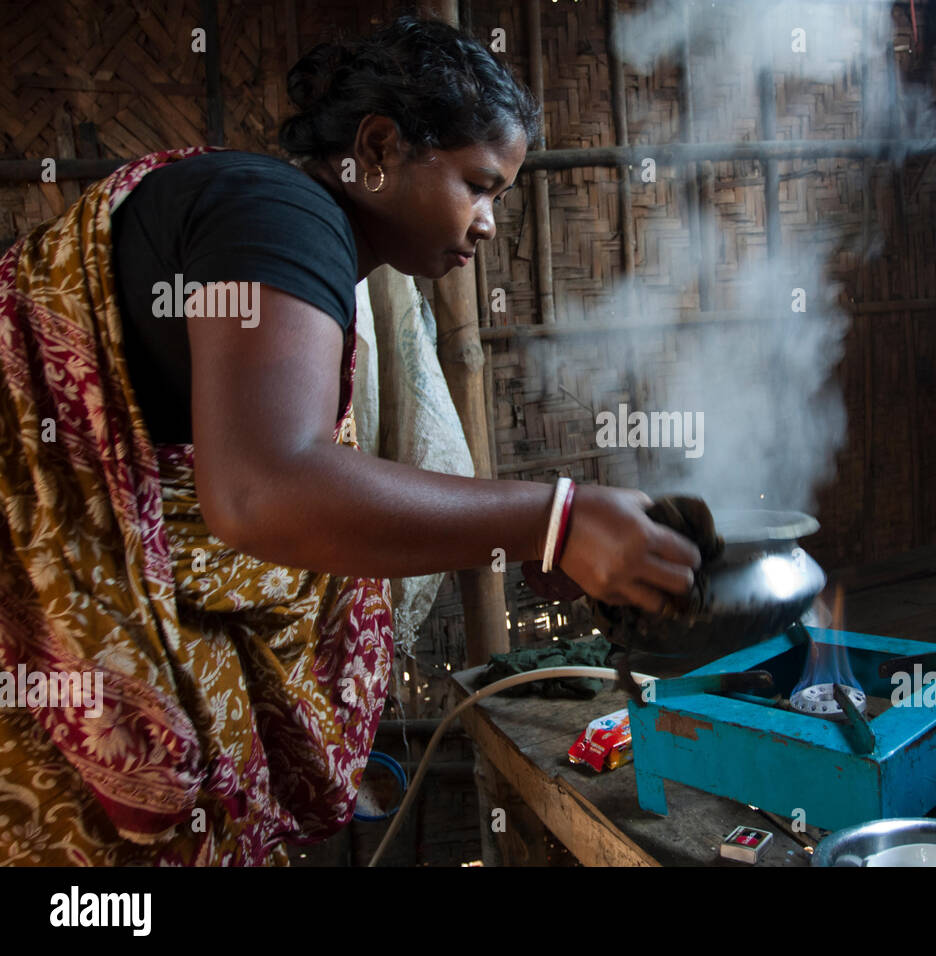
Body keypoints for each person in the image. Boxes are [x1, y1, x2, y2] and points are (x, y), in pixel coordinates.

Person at [0, 15, 700, 865]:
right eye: (477, 184)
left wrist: (531, 536)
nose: (486, 223)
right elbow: (263, 489)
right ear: (377, 147)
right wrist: (556, 517)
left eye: (501, 198)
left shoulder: (298, 245)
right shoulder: (277, 216)